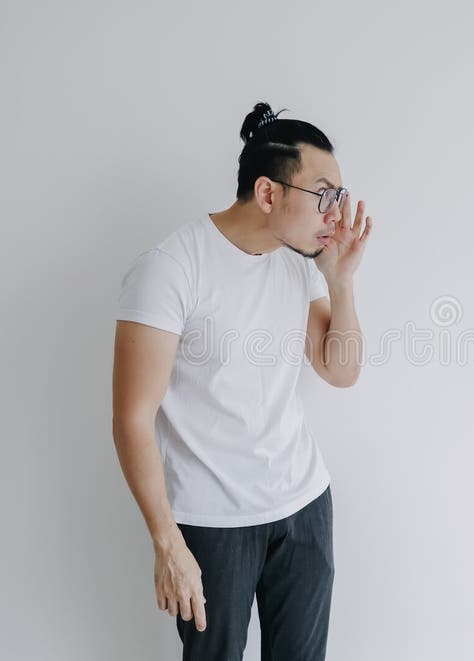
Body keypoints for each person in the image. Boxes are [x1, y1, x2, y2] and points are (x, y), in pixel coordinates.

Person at [111, 101, 372, 660]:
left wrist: (341, 282)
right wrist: (166, 540)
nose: (336, 213)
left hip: (303, 505)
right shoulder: (171, 268)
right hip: (212, 522)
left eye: (340, 197)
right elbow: (132, 416)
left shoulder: (295, 262)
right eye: (324, 194)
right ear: (269, 192)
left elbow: (341, 370)